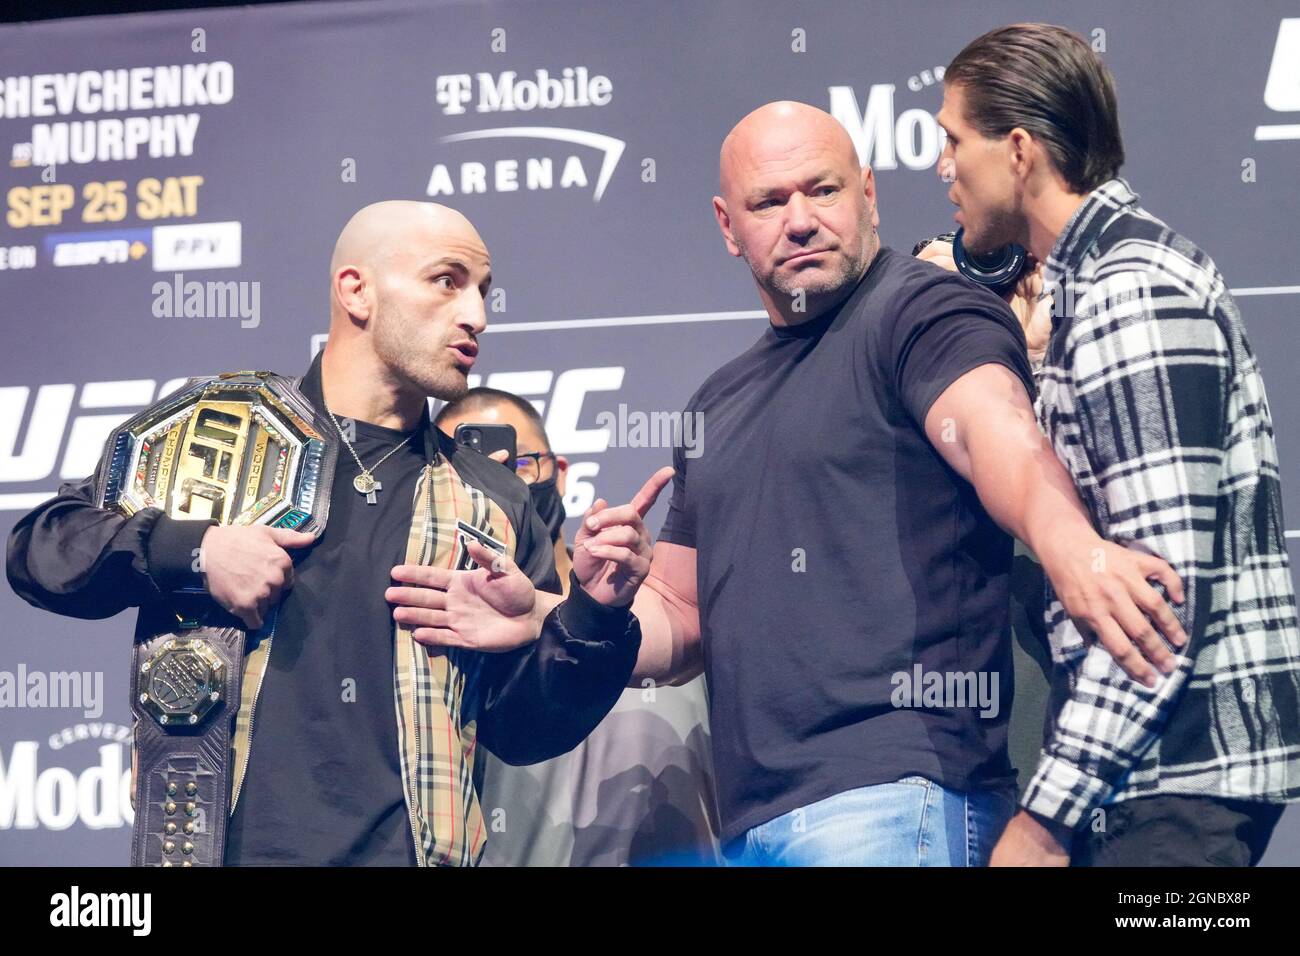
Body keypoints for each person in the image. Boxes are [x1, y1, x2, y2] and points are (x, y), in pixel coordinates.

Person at [429, 102, 1191, 866]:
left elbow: (1002, 439)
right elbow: (681, 618)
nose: (799, 221)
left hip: (898, 797)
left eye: (821, 191)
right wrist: (554, 610)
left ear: (868, 194)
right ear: (729, 226)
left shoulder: (922, 310)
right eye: (769, 202)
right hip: (748, 827)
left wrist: (1073, 547)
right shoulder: (718, 402)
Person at [6, 200, 649, 867]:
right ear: (356, 290)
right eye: (447, 281)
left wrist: (594, 618)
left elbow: (522, 731)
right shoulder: (219, 432)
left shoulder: (492, 501)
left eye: (484, 291)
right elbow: (42, 548)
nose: (477, 315)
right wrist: (196, 552)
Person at [937, 22, 1300, 866]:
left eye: (955, 140)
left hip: (1177, 782)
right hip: (1159, 780)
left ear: (1019, 150)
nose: (943, 167)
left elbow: (1154, 604)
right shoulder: (1098, 290)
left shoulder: (1128, 294)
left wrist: (1044, 819)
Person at [436, 388, 719, 865]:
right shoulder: (445, 639)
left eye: (520, 463)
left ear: (561, 474)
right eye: (475, 469)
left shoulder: (672, 606)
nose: (504, 482)